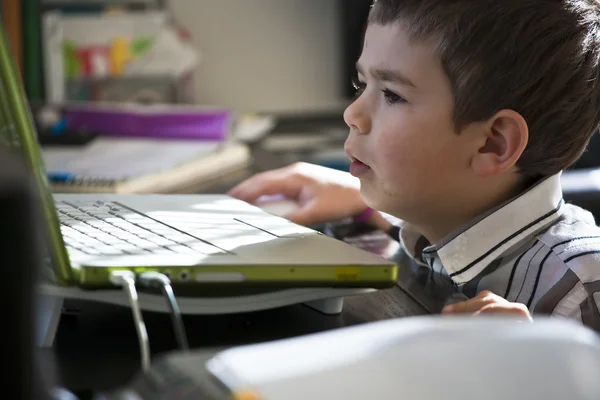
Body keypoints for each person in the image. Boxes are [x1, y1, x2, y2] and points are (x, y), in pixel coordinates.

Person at [229, 0, 600, 330]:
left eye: (392, 95)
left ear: (493, 143)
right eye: (361, 85)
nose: (352, 113)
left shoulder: (583, 290)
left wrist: (542, 373)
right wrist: (361, 200)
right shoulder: (441, 218)